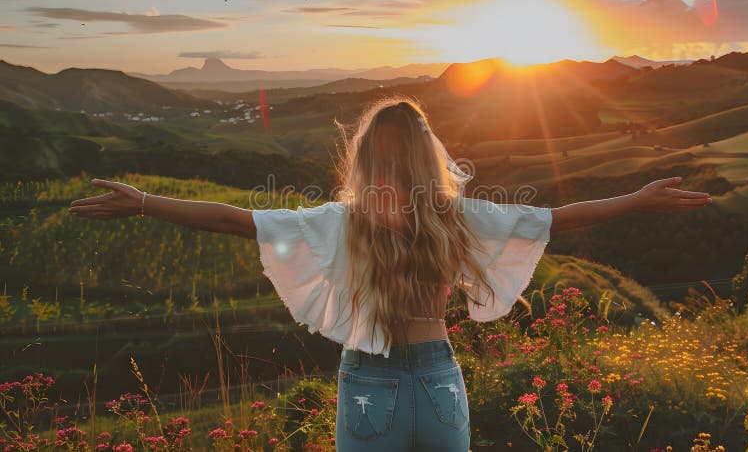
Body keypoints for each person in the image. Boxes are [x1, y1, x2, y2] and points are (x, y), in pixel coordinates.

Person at [68, 96, 713, 451]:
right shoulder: (455, 217)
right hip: (438, 373)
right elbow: (557, 219)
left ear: (367, 153)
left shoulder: (345, 221)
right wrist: (642, 199)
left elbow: (237, 220)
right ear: (427, 153)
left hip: (369, 376)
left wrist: (146, 202)